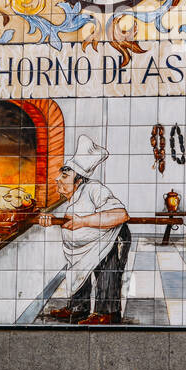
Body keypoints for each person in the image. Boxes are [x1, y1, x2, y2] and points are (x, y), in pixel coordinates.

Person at [38, 134, 133, 325]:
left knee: (107, 273)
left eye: (64, 175)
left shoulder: (94, 189)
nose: (58, 179)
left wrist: (83, 221)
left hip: (111, 238)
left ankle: (108, 313)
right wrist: (48, 219)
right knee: (80, 269)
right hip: (86, 244)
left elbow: (121, 214)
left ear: (79, 180)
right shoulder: (71, 198)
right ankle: (77, 309)